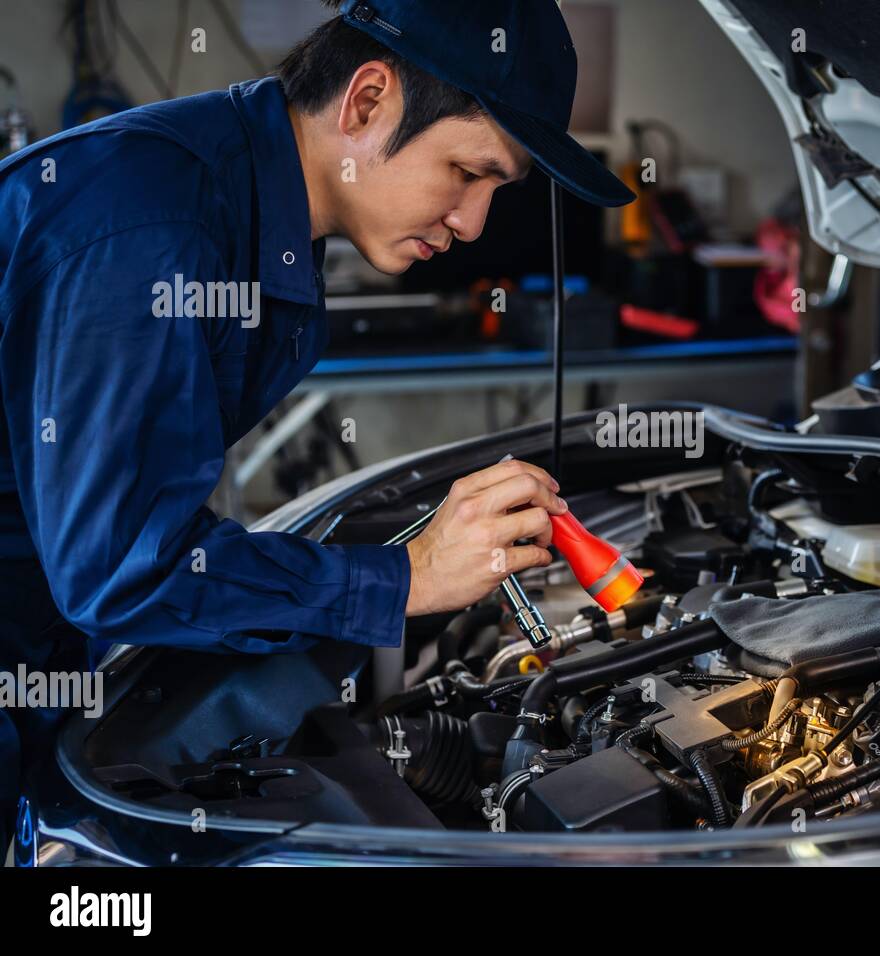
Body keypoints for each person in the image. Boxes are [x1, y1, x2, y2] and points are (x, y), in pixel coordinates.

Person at [0, 0, 632, 852]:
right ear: (366, 101)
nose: (473, 223)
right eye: (466, 171)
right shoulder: (152, 222)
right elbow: (120, 565)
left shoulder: (252, 214)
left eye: (497, 190)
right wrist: (402, 578)